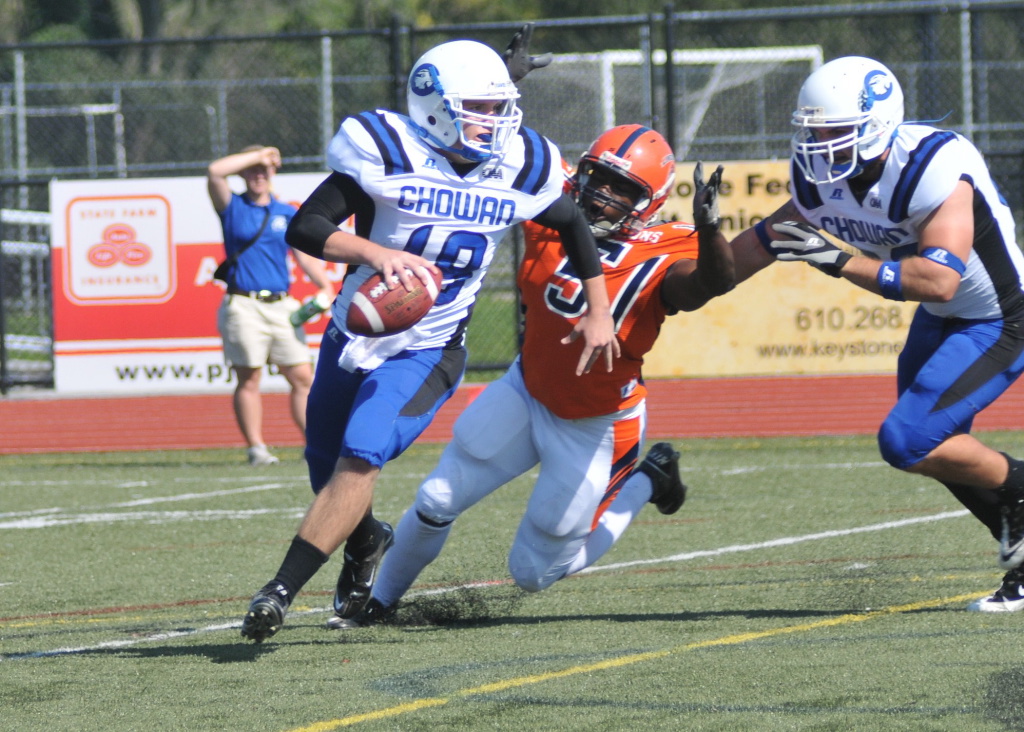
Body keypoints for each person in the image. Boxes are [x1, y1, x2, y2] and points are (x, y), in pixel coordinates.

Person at [238, 37, 618, 643]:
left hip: (428, 348)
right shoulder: (391, 152)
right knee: (323, 466)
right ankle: (366, 540)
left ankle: (278, 591)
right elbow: (306, 227)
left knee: (361, 453)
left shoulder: (518, 163)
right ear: (438, 108)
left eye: (498, 107)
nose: (496, 122)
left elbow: (572, 222)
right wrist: (374, 253)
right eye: (481, 108)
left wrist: (599, 309)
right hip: (351, 334)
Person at [328, 125, 736, 629]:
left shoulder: (666, 247)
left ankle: (648, 479)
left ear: (649, 202)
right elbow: (499, 141)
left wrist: (711, 232)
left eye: (622, 189)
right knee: (435, 499)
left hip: (596, 424)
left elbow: (707, 284)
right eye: (598, 178)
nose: (602, 195)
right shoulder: (551, 203)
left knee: (534, 572)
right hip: (526, 390)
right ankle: (378, 602)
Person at [694, 56, 1024, 612]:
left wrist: (838, 260)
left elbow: (939, 279)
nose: (819, 144)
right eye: (814, 131)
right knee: (935, 449)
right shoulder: (821, 182)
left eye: (835, 131)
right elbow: (744, 259)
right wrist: (705, 241)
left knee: (909, 439)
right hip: (943, 319)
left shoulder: (933, 166)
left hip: (1000, 317)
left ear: (876, 125)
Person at [207, 145, 335, 467]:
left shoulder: (286, 212)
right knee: (249, 378)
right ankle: (257, 448)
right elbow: (214, 172)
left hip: (282, 305)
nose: (259, 175)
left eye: (264, 170)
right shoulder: (232, 206)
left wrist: (325, 285)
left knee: (302, 376)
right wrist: (260, 155)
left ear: (274, 172)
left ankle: (313, 445)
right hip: (243, 304)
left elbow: (305, 257)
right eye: (252, 169)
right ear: (243, 173)